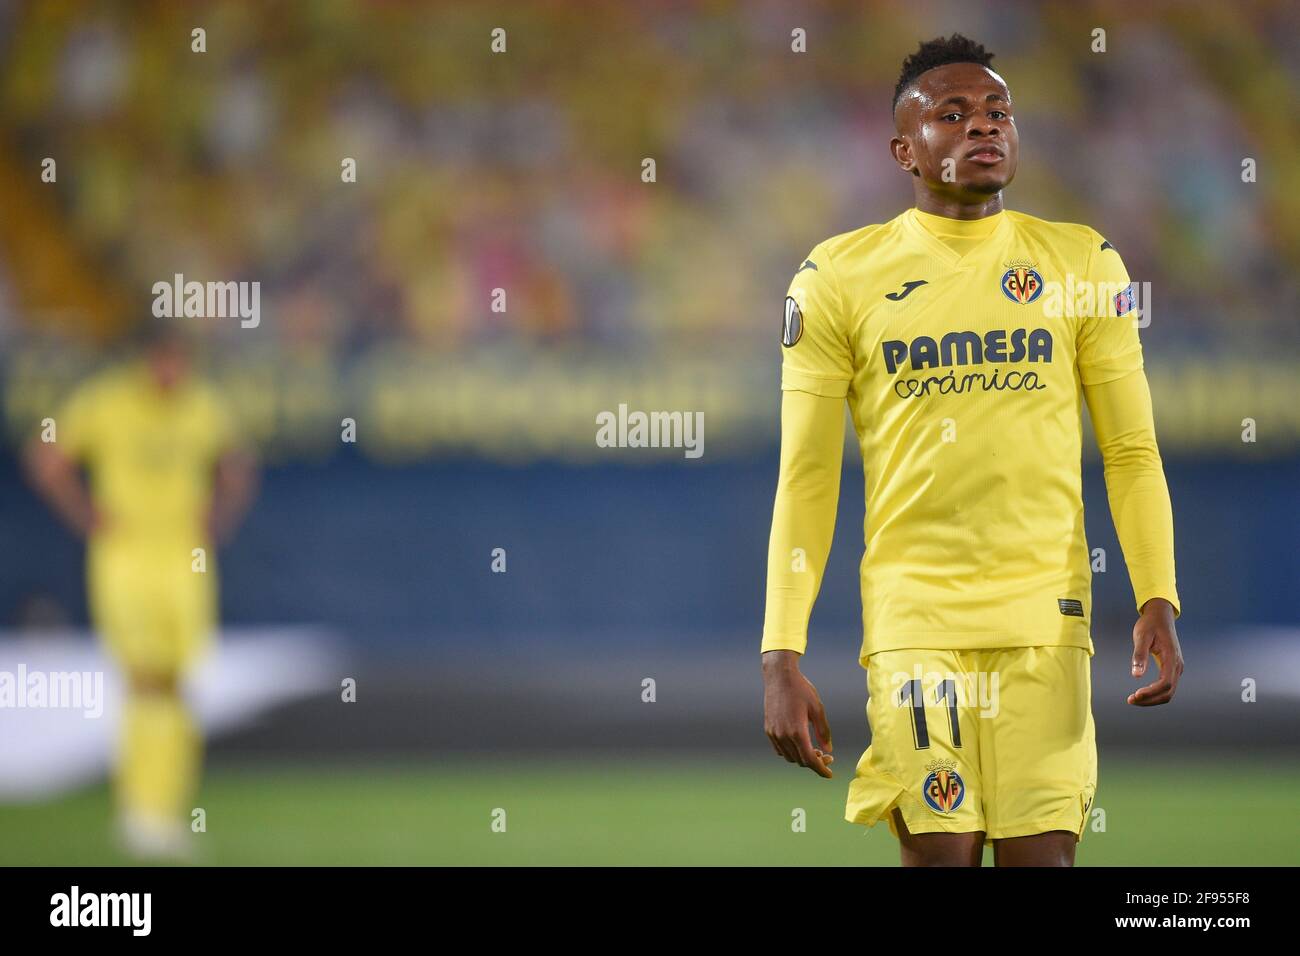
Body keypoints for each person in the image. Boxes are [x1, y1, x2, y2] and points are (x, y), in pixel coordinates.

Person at [761, 34, 1183, 867]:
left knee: (1042, 861)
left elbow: (1132, 449)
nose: (983, 128)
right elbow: (807, 478)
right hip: (916, 615)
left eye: (997, 112)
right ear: (903, 150)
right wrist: (782, 653)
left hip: (1048, 617)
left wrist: (1157, 596)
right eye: (951, 115)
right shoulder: (838, 278)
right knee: (943, 853)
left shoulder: (1082, 263)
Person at [25, 318, 257, 859]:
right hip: (127, 559)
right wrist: (87, 516)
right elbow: (47, 456)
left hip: (185, 560)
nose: (174, 370)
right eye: (166, 359)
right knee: (147, 679)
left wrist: (217, 518)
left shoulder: (202, 404)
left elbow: (237, 465)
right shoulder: (105, 401)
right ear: (146, 358)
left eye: (182, 360)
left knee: (177, 683)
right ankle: (143, 811)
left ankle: (163, 809)